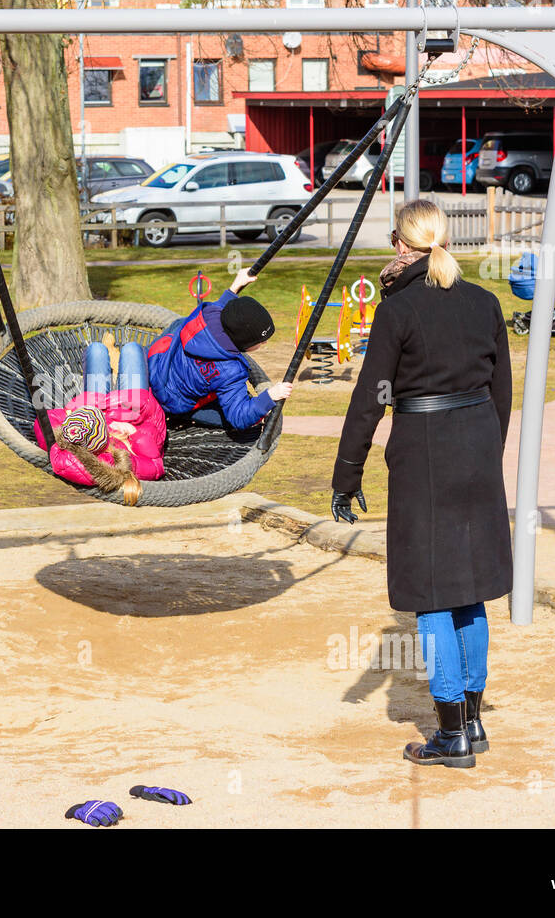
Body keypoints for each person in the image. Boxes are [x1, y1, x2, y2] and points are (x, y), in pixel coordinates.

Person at [330, 199, 512, 769]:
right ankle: (474, 723)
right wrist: (486, 448)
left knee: (432, 594)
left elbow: (370, 399)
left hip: (425, 454)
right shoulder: (485, 302)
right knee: (471, 588)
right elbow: (502, 388)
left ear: (403, 246)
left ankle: (450, 734)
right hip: (477, 447)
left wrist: (347, 474)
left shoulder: (399, 310)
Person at [146, 268, 292, 432]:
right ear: (244, 342)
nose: (264, 343)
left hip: (156, 365)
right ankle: (180, 417)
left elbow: (221, 309)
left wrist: (235, 286)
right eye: (261, 341)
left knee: (179, 324)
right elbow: (238, 416)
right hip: (169, 401)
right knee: (240, 420)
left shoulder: (204, 314)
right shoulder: (231, 371)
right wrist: (270, 396)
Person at [32, 338, 166, 502]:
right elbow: (155, 461)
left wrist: (74, 417)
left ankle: (112, 363)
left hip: (98, 404)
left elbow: (44, 421)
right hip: (133, 409)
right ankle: (116, 365)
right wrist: (134, 433)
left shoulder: (74, 450)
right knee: (132, 349)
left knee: (96, 349)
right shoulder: (124, 463)